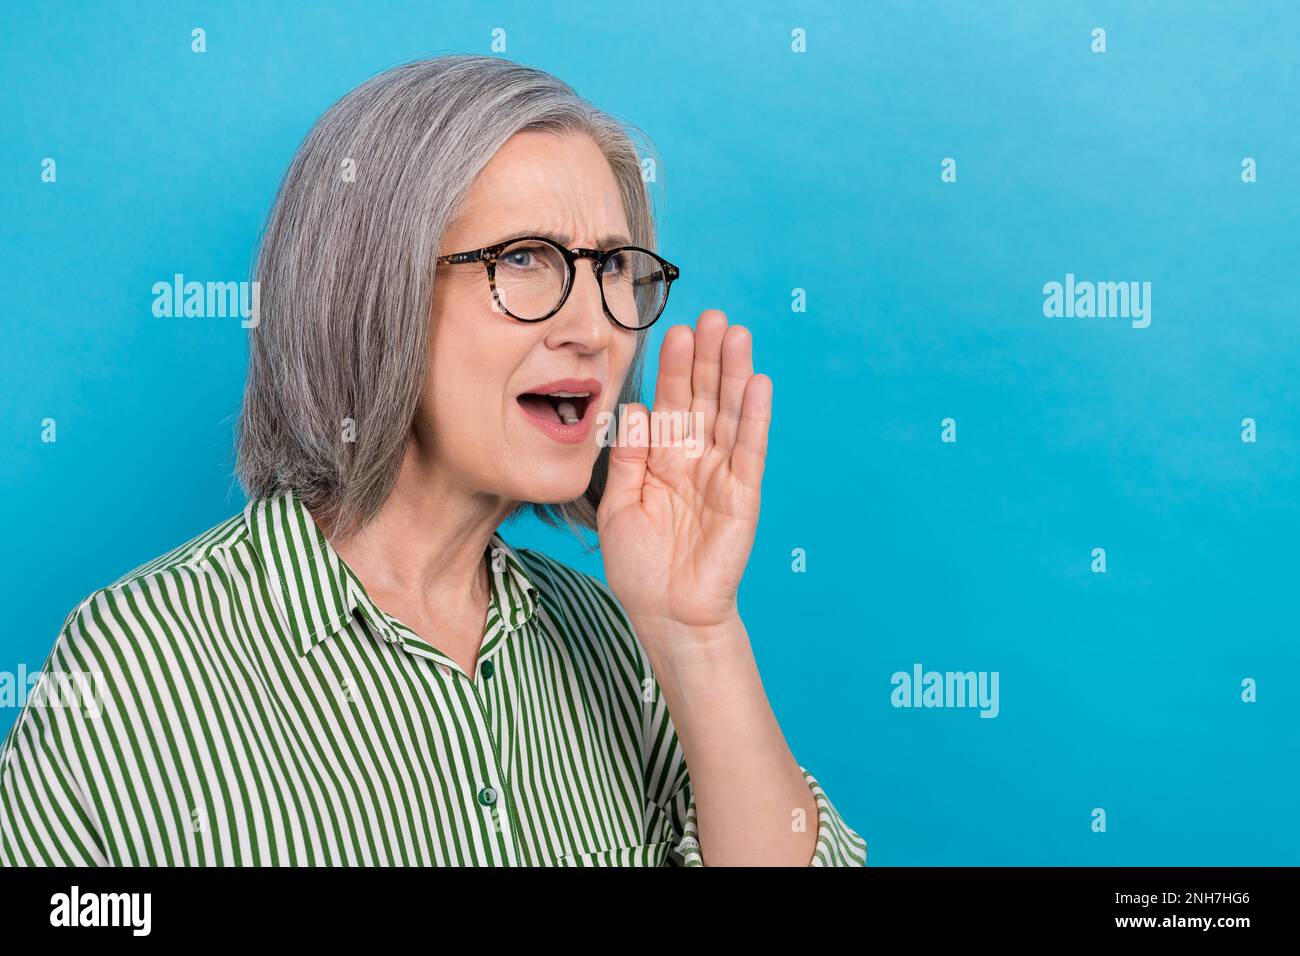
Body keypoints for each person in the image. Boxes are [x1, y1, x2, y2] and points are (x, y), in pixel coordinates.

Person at [0, 54, 866, 866]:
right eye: (525, 259)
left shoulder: (610, 638)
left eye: (612, 269)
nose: (596, 328)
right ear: (367, 290)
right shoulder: (139, 662)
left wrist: (694, 635)